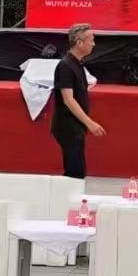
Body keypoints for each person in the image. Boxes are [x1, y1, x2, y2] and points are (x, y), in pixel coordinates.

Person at [51, 23, 105, 180]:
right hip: (67, 125)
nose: (93, 44)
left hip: (76, 126)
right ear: (79, 43)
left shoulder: (77, 64)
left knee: (76, 170)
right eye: (91, 40)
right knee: (75, 172)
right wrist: (90, 123)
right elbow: (68, 100)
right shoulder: (65, 66)